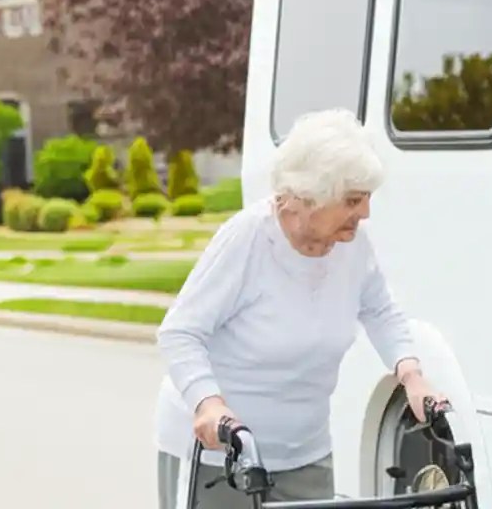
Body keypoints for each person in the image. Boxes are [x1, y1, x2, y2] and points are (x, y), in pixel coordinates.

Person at [153, 108, 442, 509]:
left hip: (305, 453)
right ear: (310, 198)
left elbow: (381, 311)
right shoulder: (248, 240)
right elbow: (180, 332)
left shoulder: (354, 246)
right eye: (353, 200)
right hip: (223, 453)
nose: (365, 213)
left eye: (367, 199)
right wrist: (207, 402)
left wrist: (411, 375)